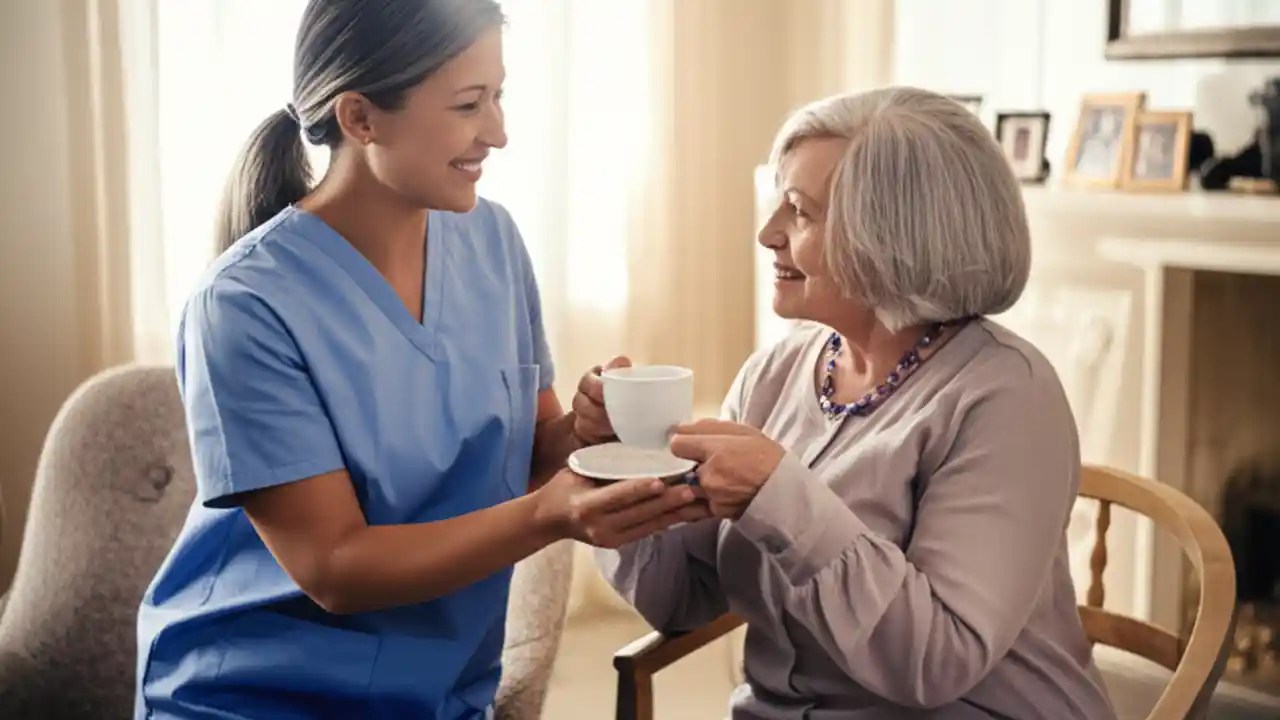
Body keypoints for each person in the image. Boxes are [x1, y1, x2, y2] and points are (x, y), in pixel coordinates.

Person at [135, 2, 704, 717]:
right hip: (254, 696)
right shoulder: (244, 304)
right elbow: (334, 568)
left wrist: (584, 437)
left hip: (440, 694)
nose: (498, 132)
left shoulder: (492, 240)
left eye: (499, 95)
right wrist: (548, 519)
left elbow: (519, 461)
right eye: (469, 104)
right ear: (360, 118)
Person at [596, 88, 1118, 719]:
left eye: (800, 212)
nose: (768, 234)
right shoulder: (776, 372)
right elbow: (684, 598)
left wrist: (780, 498)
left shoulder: (1006, 398)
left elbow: (936, 661)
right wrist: (621, 458)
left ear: (892, 235)